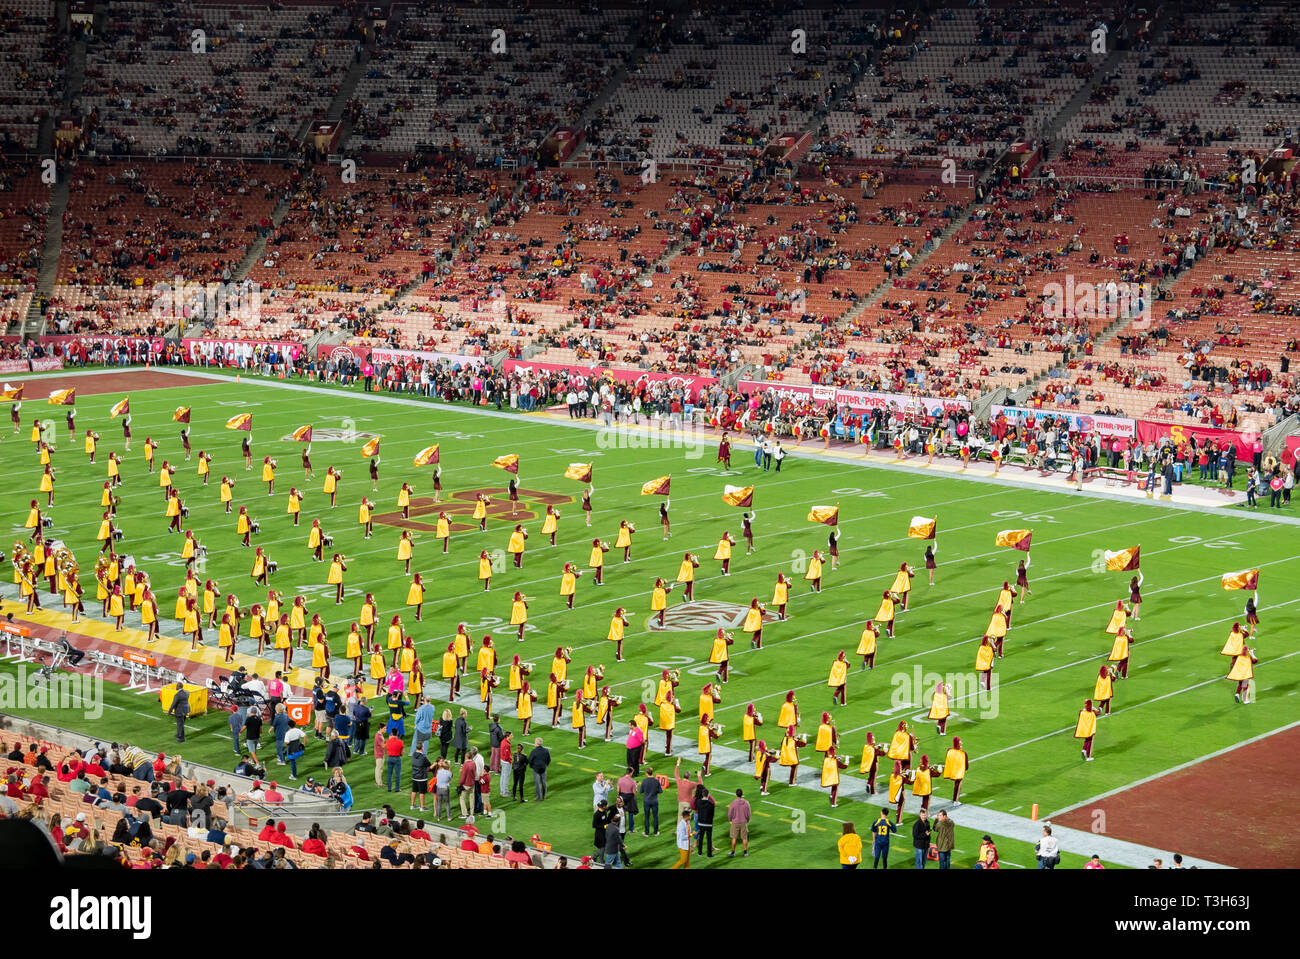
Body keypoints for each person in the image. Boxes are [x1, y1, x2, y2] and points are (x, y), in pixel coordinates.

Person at [726, 788, 750, 857]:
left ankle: (733, 853)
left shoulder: (733, 803)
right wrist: (747, 820)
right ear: (742, 794)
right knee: (744, 838)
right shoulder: (746, 803)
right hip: (744, 822)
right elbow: (749, 814)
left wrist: (730, 820)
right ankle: (745, 852)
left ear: (736, 794)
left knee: (734, 838)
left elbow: (730, 814)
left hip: (735, 822)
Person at [639, 766, 661, 836]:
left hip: (647, 801)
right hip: (654, 801)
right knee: (655, 817)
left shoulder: (644, 781)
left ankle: (647, 832)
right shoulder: (656, 781)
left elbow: (641, 791)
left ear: (646, 773)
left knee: (646, 817)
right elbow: (660, 791)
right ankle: (656, 832)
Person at [695, 786, 716, 858]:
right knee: (709, 839)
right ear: (708, 795)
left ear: (702, 794)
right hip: (708, 824)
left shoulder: (698, 802)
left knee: (700, 838)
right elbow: (712, 815)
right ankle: (709, 854)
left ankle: (699, 852)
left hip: (700, 823)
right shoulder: (711, 804)